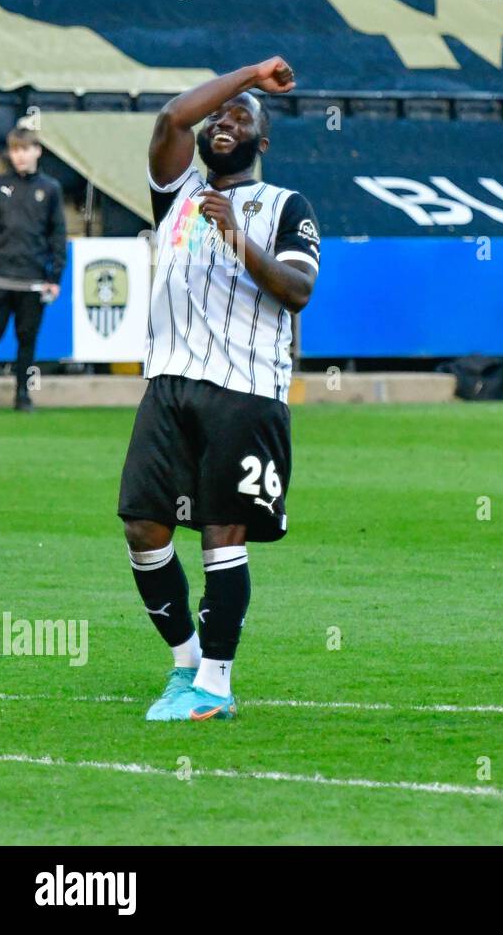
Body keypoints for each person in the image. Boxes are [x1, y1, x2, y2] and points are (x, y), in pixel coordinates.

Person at [118, 57, 321, 722]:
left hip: (245, 391)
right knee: (143, 526)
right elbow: (172, 117)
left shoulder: (285, 205)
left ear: (263, 142)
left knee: (220, 535)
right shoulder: (175, 195)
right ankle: (184, 665)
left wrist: (235, 235)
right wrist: (249, 78)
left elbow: (297, 291)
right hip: (169, 386)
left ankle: (216, 683)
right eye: (220, 116)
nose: (224, 121)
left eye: (242, 118)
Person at [0, 126, 66, 412]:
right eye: (15, 150)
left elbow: (57, 235)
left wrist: (54, 277)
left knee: (27, 341)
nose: (20, 156)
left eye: (25, 149)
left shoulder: (51, 188)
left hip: (32, 281)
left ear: (37, 151)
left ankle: (22, 395)